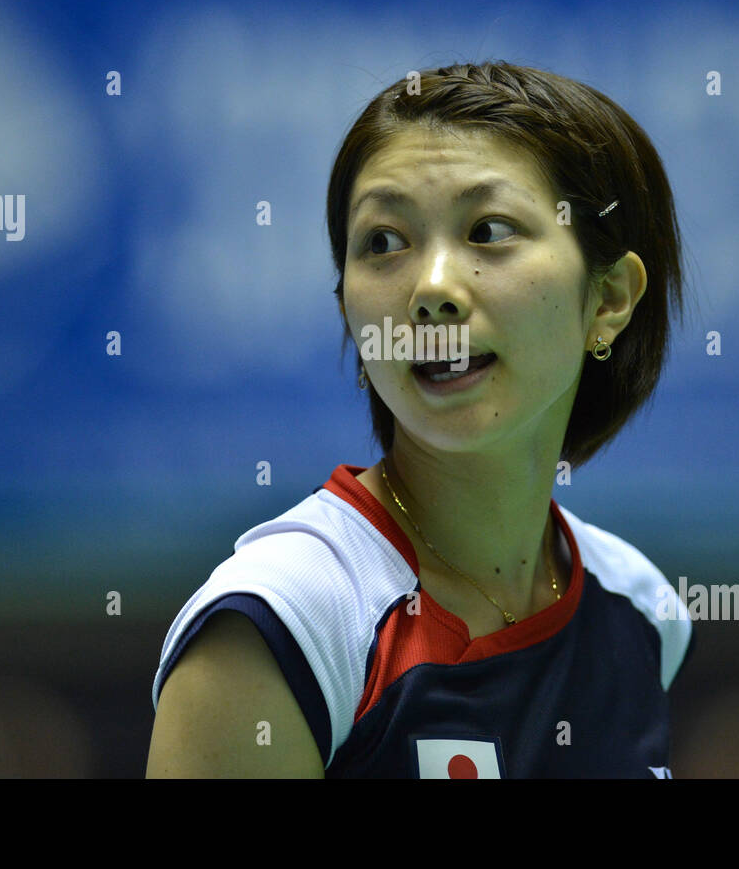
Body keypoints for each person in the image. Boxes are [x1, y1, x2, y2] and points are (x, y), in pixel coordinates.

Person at [147, 60, 695, 778]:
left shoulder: (642, 610)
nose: (433, 288)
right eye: (384, 242)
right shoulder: (285, 622)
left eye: (489, 230)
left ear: (611, 298)